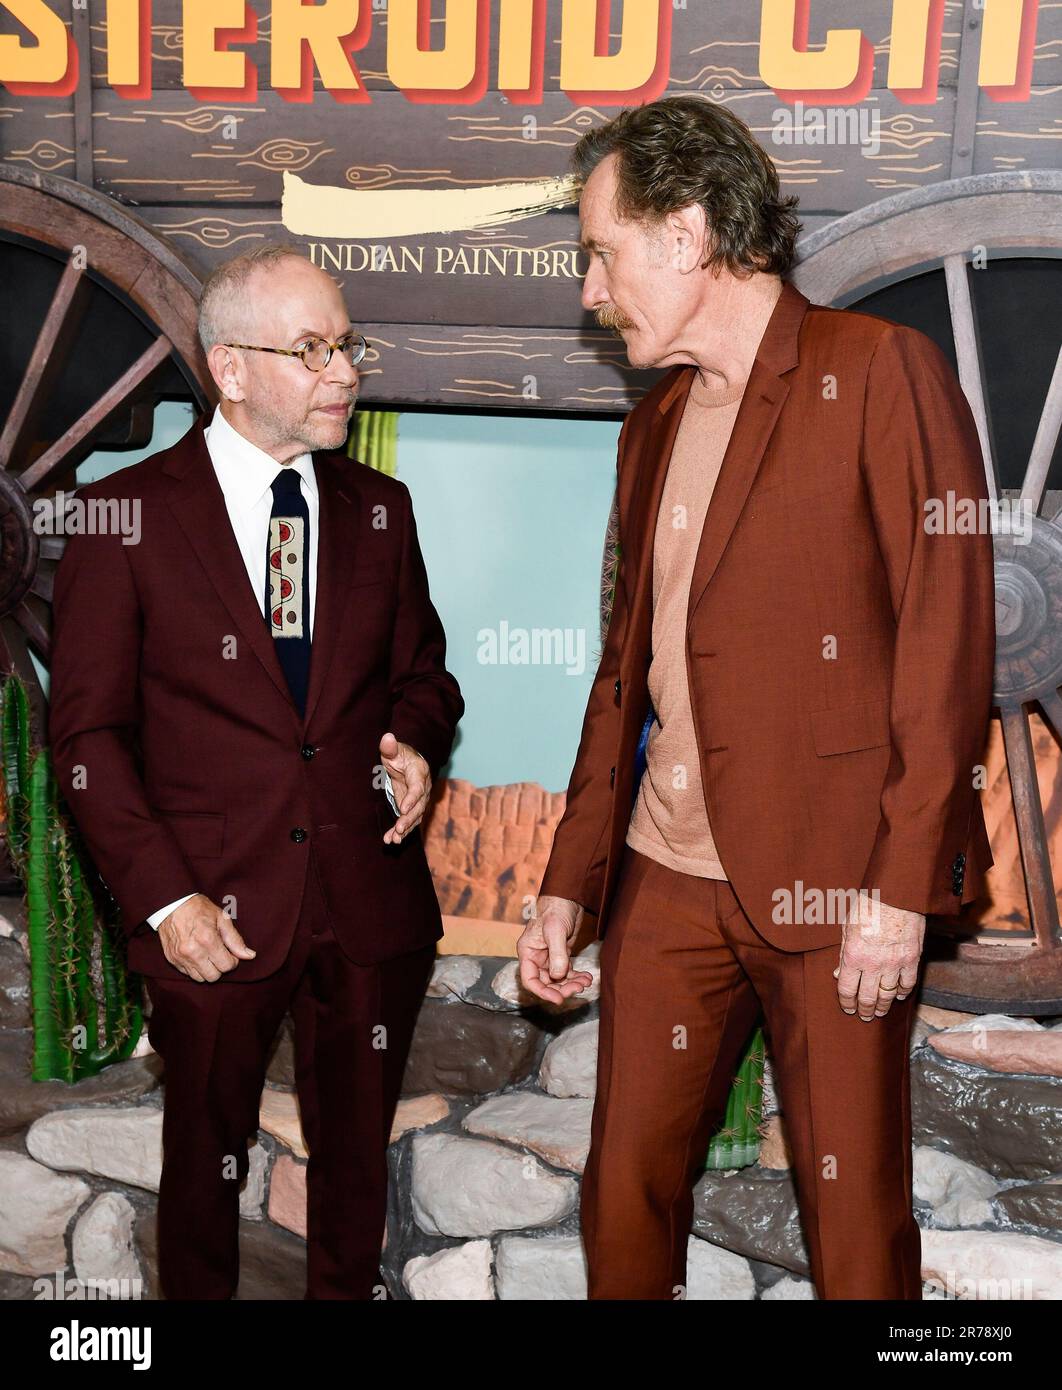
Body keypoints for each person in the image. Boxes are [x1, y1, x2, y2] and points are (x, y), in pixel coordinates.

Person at [519, 96, 995, 1300]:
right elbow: (623, 676)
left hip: (839, 886)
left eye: (601, 251)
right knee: (622, 1187)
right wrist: (569, 885)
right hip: (665, 879)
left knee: (853, 1217)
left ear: (684, 236)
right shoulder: (656, 424)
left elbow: (948, 648)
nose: (591, 290)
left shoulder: (881, 372)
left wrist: (898, 892)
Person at [49, 244, 464, 1299]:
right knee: (203, 1170)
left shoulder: (382, 508)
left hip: (366, 904)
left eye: (347, 346)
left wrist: (414, 743)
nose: (344, 373)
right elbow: (88, 738)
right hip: (207, 911)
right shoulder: (125, 517)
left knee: (355, 1175)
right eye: (313, 350)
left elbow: (425, 676)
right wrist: (164, 900)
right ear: (229, 368)